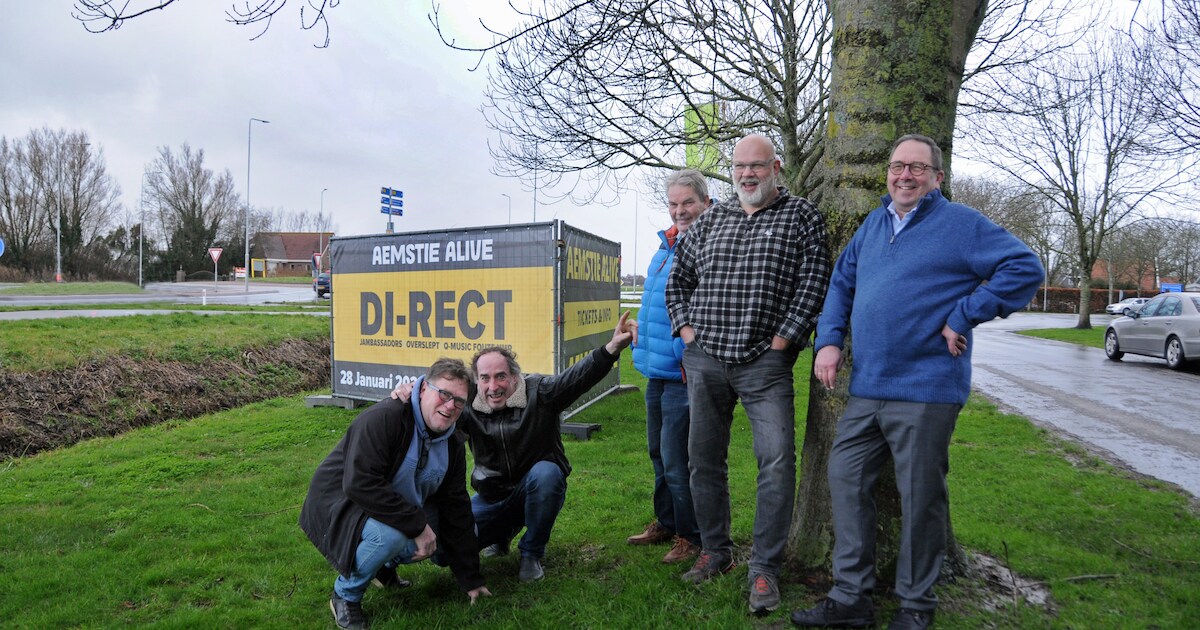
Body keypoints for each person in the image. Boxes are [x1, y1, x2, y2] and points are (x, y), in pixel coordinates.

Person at [790, 134, 1043, 630]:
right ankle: (850, 600)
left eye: (917, 168)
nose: (905, 175)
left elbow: (1024, 268)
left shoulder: (962, 225)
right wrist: (828, 340)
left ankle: (915, 607)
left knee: (920, 497)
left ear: (937, 178)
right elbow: (842, 283)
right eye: (897, 166)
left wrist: (965, 314)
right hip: (867, 387)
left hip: (927, 388)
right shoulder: (874, 222)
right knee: (844, 480)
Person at [665, 134, 831, 615]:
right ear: (731, 171)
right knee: (703, 461)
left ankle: (764, 569)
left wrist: (783, 343)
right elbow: (679, 281)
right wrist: (688, 333)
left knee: (776, 461)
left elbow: (813, 281)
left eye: (757, 166)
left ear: (776, 167)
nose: (747, 175)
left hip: (765, 364)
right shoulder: (711, 220)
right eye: (739, 167)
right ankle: (716, 551)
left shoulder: (801, 216)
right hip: (706, 360)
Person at [393, 311, 636, 583]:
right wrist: (411, 394)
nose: (493, 386)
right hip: (491, 496)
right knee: (443, 553)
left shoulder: (539, 392)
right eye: (485, 378)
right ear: (476, 380)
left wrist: (612, 348)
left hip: (535, 487)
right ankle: (502, 532)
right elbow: (435, 405)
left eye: (501, 377)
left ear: (515, 376)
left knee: (547, 474)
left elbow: (577, 377)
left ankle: (531, 553)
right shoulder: (466, 404)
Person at [299, 358, 491, 630]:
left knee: (456, 531)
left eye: (459, 401)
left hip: (388, 502)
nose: (450, 406)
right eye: (444, 394)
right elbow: (359, 483)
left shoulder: (453, 441)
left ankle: (381, 567)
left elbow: (455, 504)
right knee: (390, 536)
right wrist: (417, 526)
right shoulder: (385, 417)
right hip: (340, 501)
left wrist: (472, 579)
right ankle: (345, 595)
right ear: (423, 388)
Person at [626, 169, 709, 564]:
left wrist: (687, 358)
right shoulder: (666, 246)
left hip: (681, 373)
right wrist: (637, 329)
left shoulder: (710, 243)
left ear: (705, 203)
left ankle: (691, 536)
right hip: (656, 371)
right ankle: (666, 521)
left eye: (687, 202)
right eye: (674, 204)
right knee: (658, 454)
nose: (680, 210)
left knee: (679, 461)